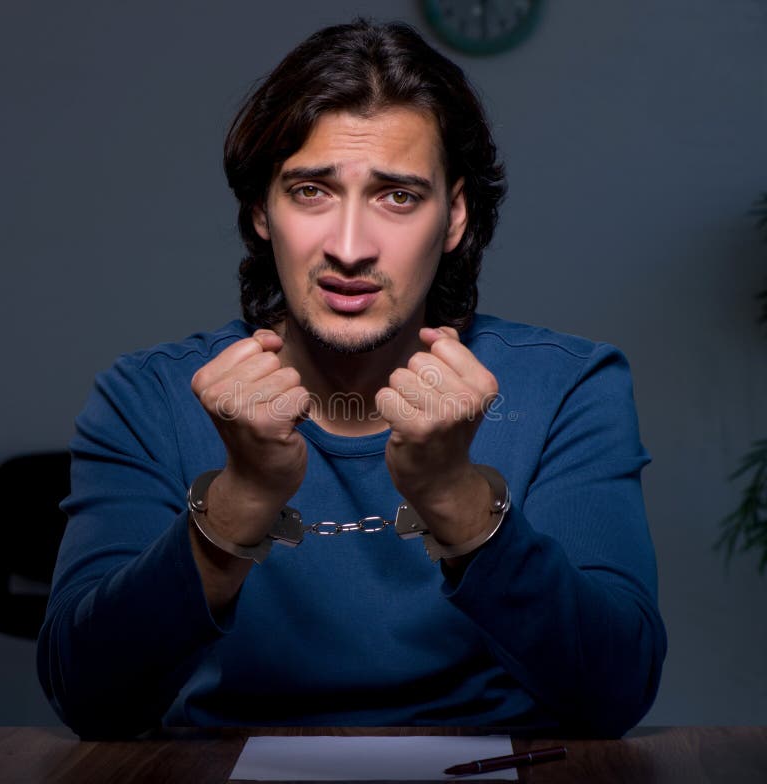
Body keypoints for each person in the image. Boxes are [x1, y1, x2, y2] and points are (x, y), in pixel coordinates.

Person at [37, 19, 667, 740]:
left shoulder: (567, 388)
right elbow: (86, 699)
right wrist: (239, 498)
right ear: (260, 213)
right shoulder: (148, 397)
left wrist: (454, 496)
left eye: (397, 195)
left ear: (455, 216)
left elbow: (616, 692)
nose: (348, 247)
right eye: (311, 191)